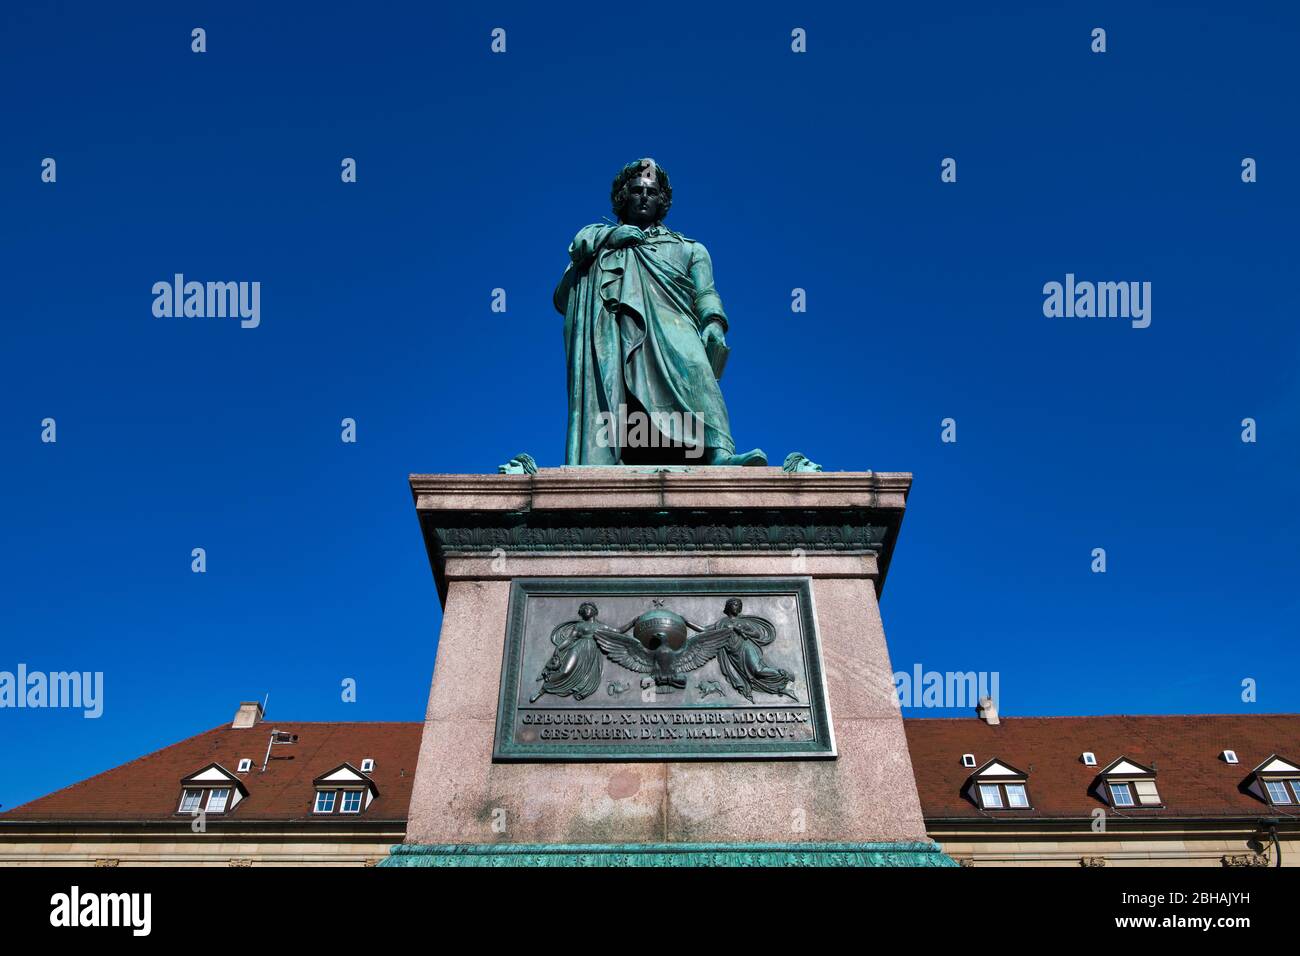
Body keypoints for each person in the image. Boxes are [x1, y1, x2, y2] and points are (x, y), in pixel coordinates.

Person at [553, 158, 767, 467]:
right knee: (617, 384)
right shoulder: (600, 242)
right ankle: (612, 455)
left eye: (651, 192)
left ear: (661, 200)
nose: (643, 197)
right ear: (623, 197)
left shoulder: (690, 249)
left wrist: (714, 322)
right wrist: (607, 242)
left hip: (674, 322)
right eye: (637, 190)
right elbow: (562, 298)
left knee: (696, 368)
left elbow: (706, 292)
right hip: (616, 327)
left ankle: (719, 454)